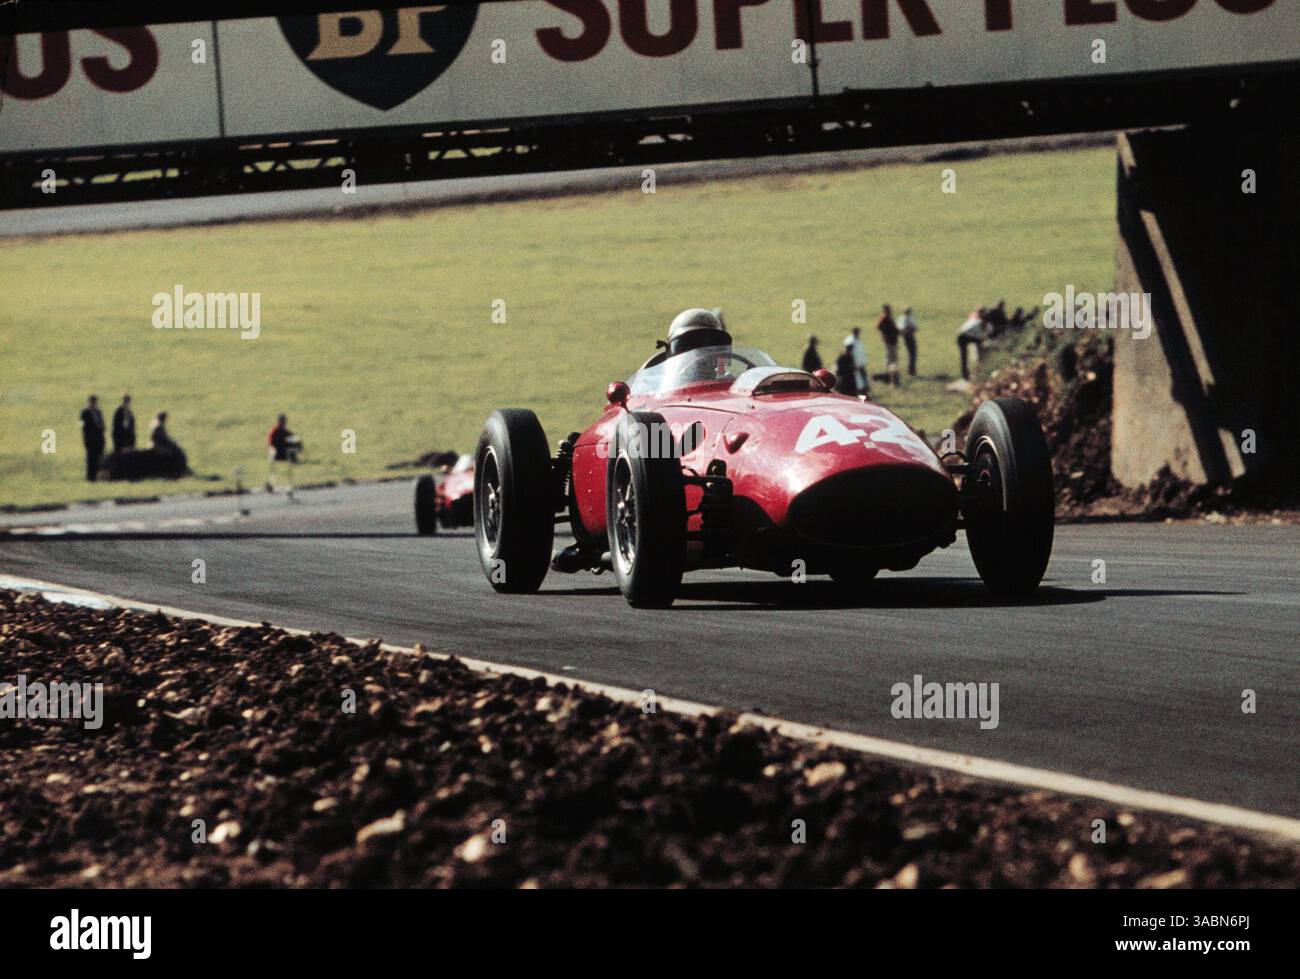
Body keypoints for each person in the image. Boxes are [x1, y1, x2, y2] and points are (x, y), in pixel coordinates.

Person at [266, 414, 296, 493]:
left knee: (291, 454)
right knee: (272, 454)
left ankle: (290, 483)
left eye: (284, 422)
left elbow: (293, 440)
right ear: (279, 422)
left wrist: (296, 444)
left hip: (283, 453)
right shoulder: (274, 431)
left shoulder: (285, 432)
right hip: (275, 453)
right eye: (282, 421)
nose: (283, 423)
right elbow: (270, 443)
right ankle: (271, 483)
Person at [957, 309, 988, 380]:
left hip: (971, 337)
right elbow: (962, 331)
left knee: (980, 345)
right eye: (984, 322)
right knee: (964, 356)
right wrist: (978, 339)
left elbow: (986, 334)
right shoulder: (975, 324)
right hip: (962, 337)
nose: (985, 323)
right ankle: (965, 374)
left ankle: (979, 367)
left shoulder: (987, 326)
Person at [80, 395, 105, 481]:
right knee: (91, 459)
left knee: (99, 458)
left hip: (99, 439)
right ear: (89, 402)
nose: (94, 404)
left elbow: (102, 424)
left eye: (95, 402)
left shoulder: (98, 412)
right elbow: (84, 427)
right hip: (90, 440)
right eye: (92, 402)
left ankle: (98, 476)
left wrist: (102, 427)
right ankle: (90, 477)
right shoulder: (85, 413)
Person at [876, 304, 900, 387]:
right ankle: (891, 378)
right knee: (892, 359)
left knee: (891, 358)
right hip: (890, 341)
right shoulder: (885, 318)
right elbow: (878, 326)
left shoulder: (886, 317)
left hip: (891, 341)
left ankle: (888, 375)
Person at [844, 327, 868, 396]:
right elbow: (849, 351)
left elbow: (861, 353)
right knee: (858, 380)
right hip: (855, 364)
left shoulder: (859, 341)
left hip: (861, 363)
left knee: (863, 379)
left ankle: (865, 392)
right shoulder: (850, 341)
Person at [899, 307, 919, 378]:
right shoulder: (910, 318)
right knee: (912, 354)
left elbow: (900, 329)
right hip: (910, 337)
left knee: (911, 354)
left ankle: (910, 371)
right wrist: (911, 329)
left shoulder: (900, 318)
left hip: (905, 337)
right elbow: (916, 328)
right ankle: (911, 372)